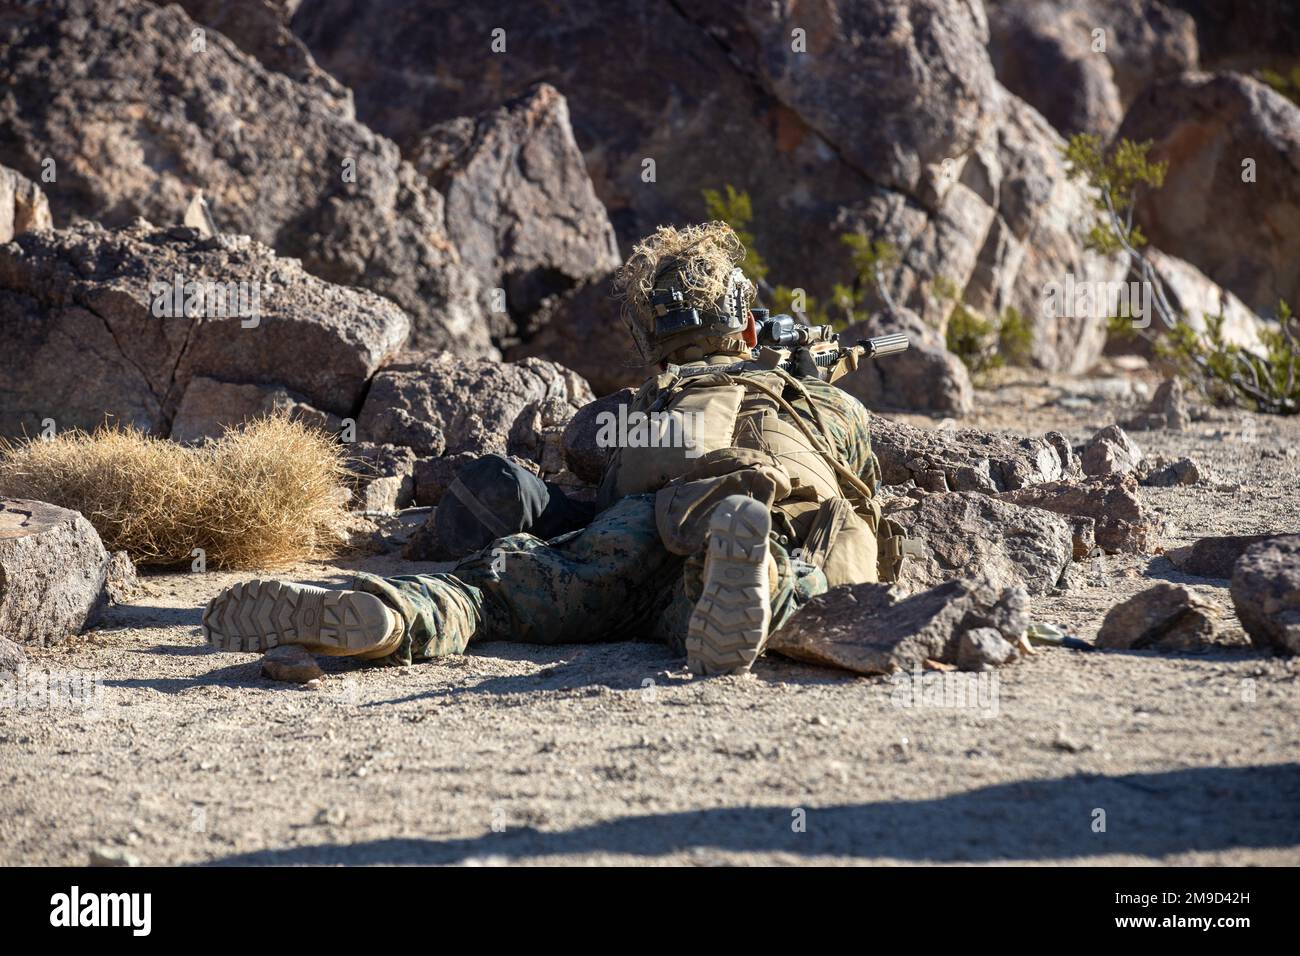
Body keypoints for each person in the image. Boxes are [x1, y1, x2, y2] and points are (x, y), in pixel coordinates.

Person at [204, 222, 906, 675]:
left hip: (645, 524)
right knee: (776, 582)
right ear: (746, 323)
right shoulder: (832, 403)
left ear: (649, 338)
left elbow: (596, 458)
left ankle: (398, 615)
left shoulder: (652, 401)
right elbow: (865, 497)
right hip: (774, 510)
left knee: (495, 593)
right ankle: (749, 578)